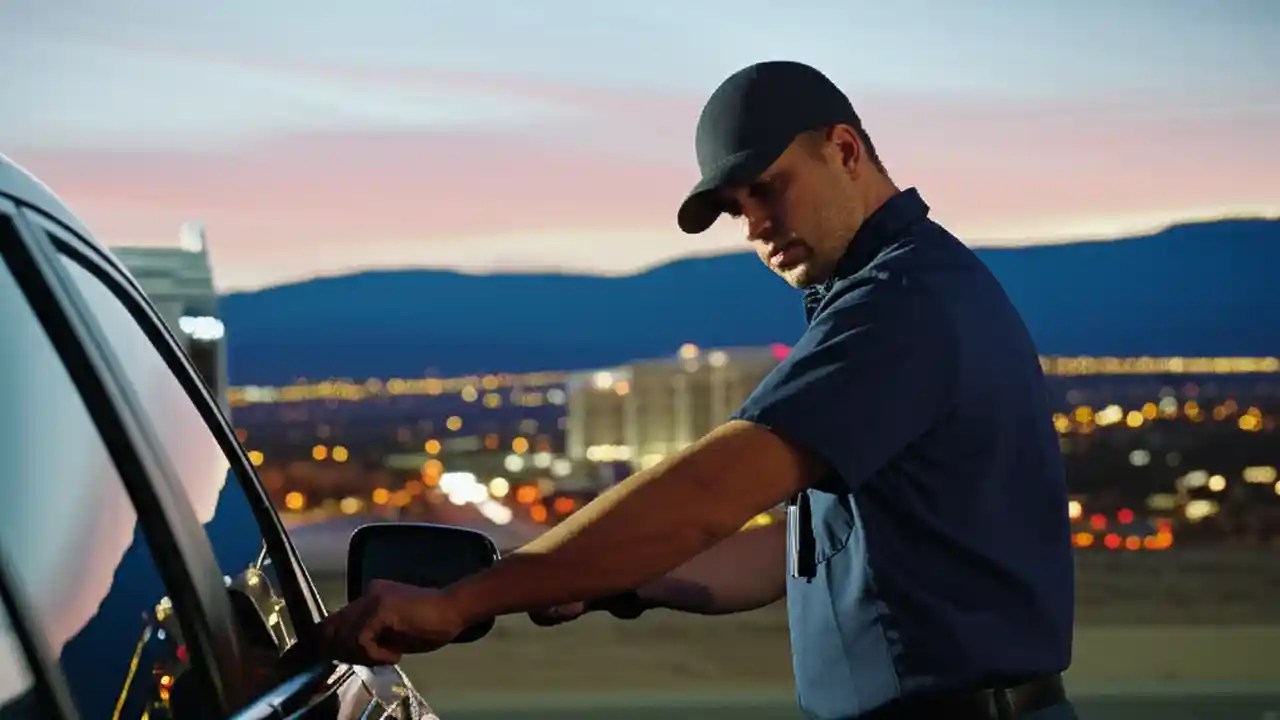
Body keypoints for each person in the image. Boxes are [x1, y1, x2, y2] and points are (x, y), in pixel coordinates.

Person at [319, 60, 1078, 719]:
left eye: (766, 188)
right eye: (735, 208)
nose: (753, 226)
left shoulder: (902, 307)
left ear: (844, 150)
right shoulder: (889, 298)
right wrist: (609, 577)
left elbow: (710, 491)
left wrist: (462, 602)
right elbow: (789, 551)